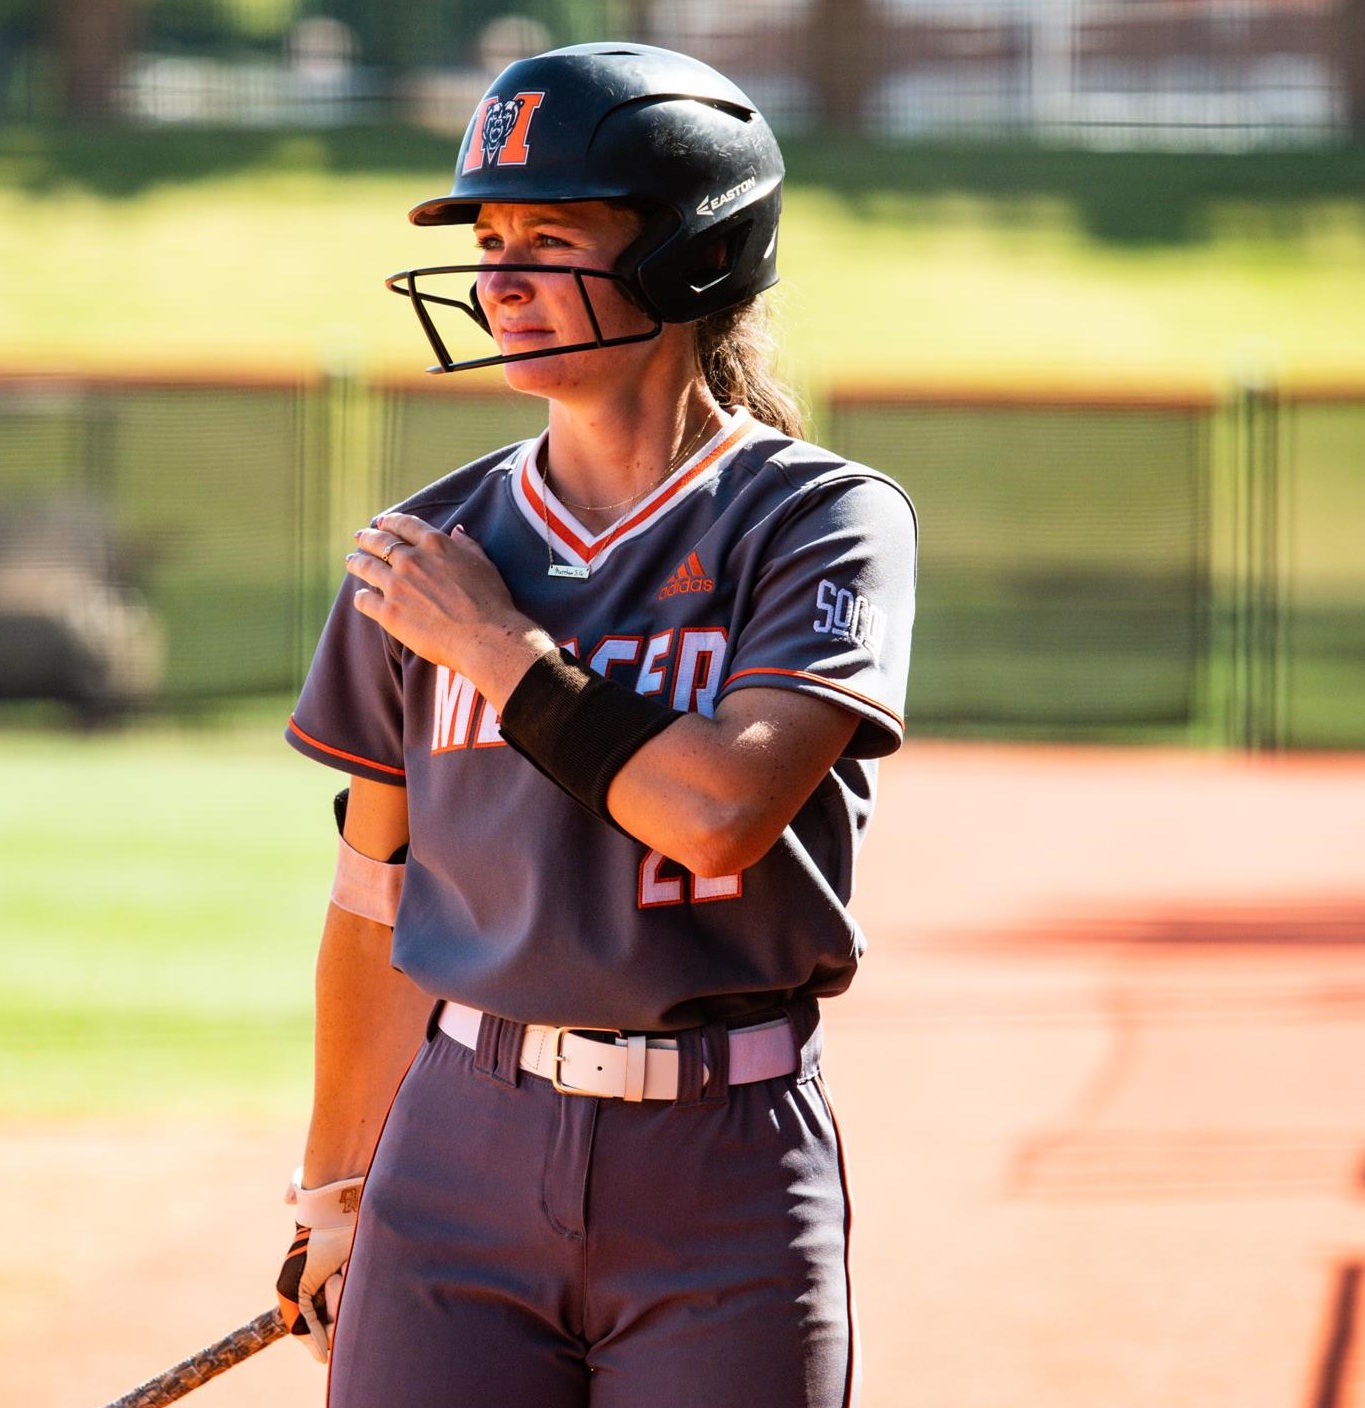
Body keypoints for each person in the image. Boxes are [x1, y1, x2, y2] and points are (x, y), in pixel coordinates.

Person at [272, 43, 918, 1407]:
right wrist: (336, 1191)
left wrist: (494, 646)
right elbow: (375, 895)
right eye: (488, 243)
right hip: (458, 1148)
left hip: (723, 1163)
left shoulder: (817, 521)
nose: (498, 282)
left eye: (549, 240)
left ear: (695, 257)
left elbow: (719, 810)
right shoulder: (428, 545)